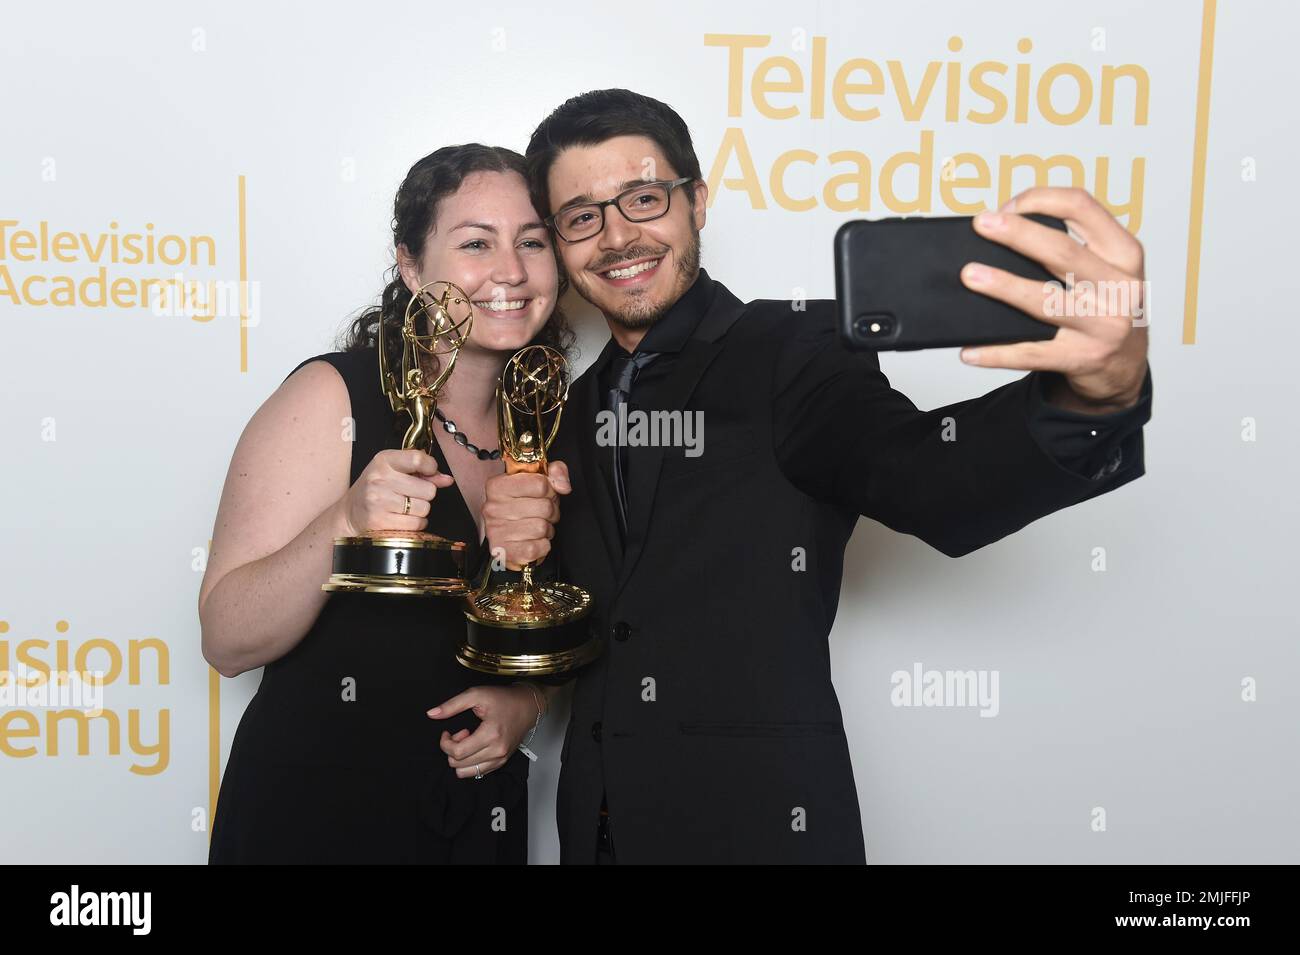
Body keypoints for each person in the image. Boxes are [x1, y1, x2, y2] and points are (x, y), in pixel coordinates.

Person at [470, 89, 1155, 863]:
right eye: (582, 216)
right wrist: (519, 561)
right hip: (595, 833)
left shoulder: (794, 350)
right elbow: (601, 624)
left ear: (697, 202)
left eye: (644, 198)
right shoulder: (565, 404)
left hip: (763, 828)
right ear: (560, 241)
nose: (618, 235)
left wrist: (1095, 398)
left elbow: (928, 477)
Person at [201, 143, 572, 864]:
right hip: (317, 815)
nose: (511, 271)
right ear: (410, 265)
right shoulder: (332, 398)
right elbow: (225, 638)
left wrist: (525, 705)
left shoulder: (557, 420)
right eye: (475, 243)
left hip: (472, 817)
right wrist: (344, 520)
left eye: (533, 241)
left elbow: (561, 624)